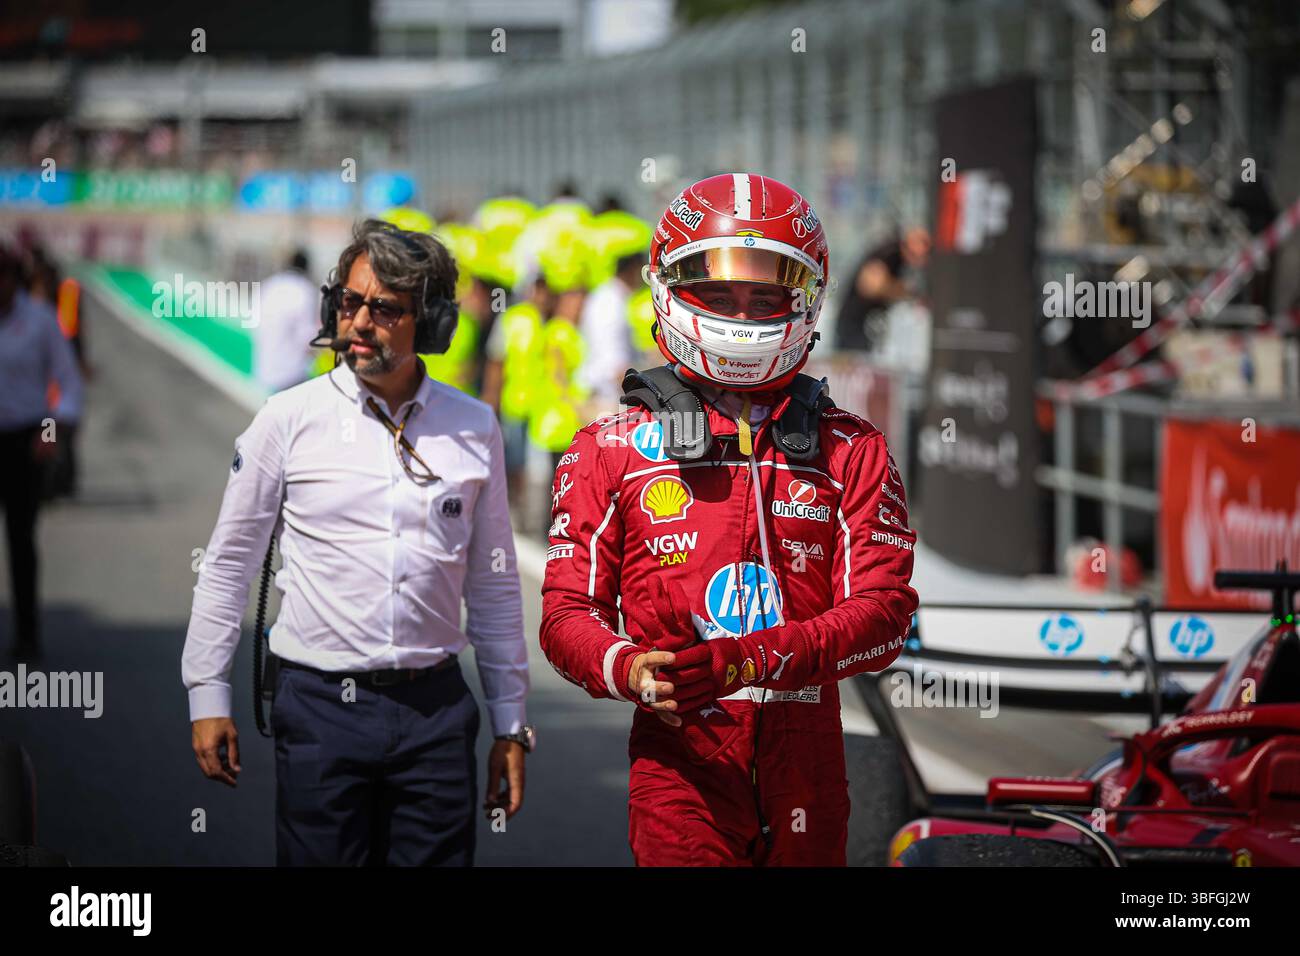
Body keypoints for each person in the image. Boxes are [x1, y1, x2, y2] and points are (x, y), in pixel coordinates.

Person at [539, 174, 918, 866]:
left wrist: (751, 658)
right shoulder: (609, 449)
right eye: (716, 293)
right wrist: (627, 668)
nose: (742, 316)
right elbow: (565, 614)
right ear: (669, 291)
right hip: (679, 766)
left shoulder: (852, 449)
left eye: (765, 294)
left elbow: (885, 619)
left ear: (802, 300)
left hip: (805, 763)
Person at [183, 220, 532, 866]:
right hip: (319, 710)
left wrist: (511, 724)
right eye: (349, 302)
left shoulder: (474, 426)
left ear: (428, 322)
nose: (360, 322)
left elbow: (493, 585)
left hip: (435, 714)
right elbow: (228, 564)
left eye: (384, 308)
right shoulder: (287, 421)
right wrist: (207, 693)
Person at [0, 245, 83, 658]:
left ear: (14, 280)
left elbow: (68, 387)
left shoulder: (40, 321)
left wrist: (48, 433)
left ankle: (27, 633)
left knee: (21, 540)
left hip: (23, 441)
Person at [833, 226, 930, 352]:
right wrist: (905, 291)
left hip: (872, 327)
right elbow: (870, 286)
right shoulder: (890, 252)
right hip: (854, 325)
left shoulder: (904, 262)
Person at [252, 249, 319, 393]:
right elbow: (307, 337)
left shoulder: (269, 284)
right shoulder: (304, 290)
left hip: (264, 369)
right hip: (291, 373)